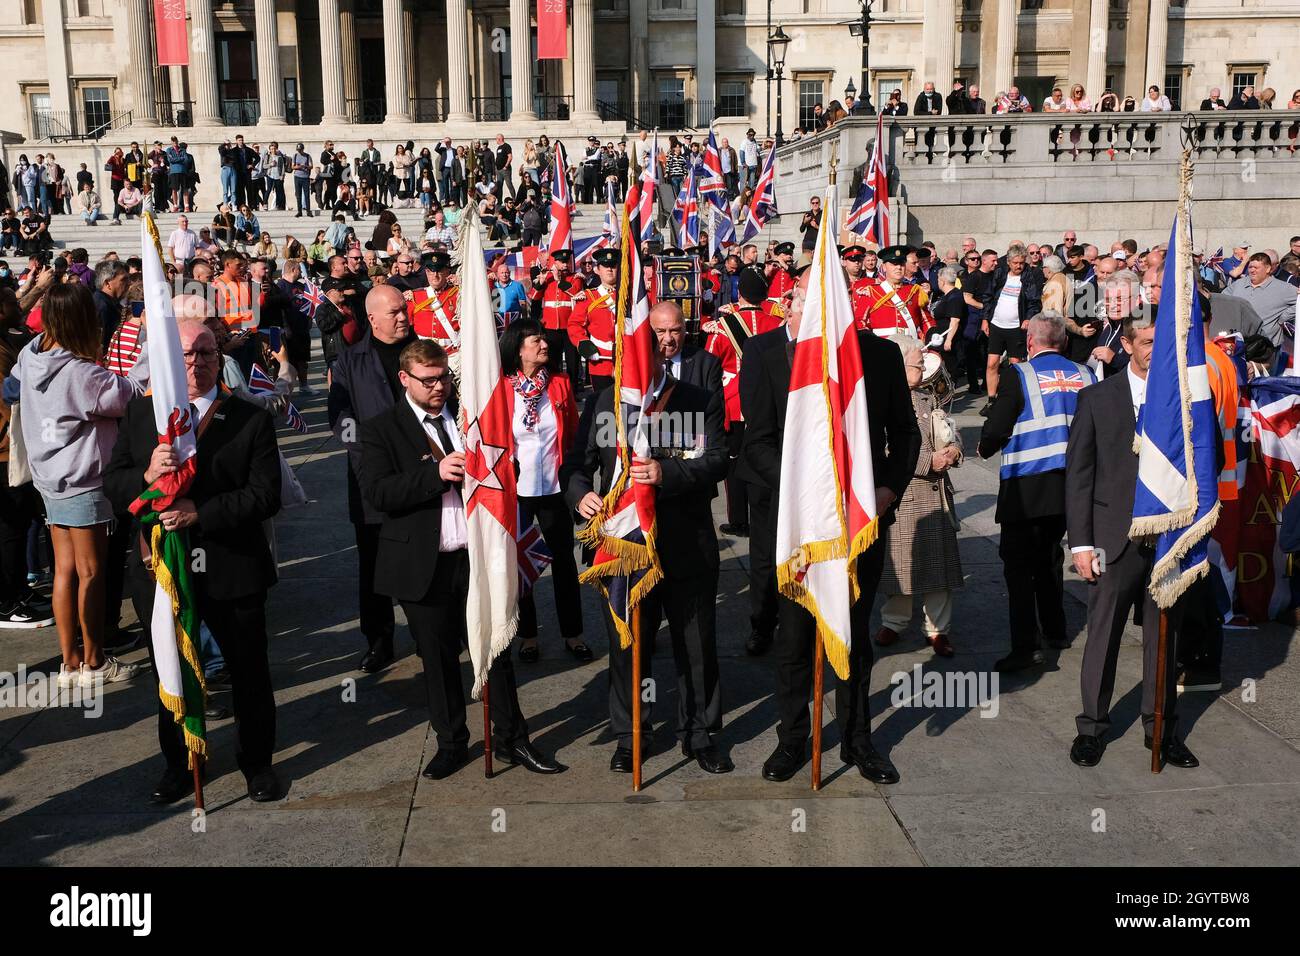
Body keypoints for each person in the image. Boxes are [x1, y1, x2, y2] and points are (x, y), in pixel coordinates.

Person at [743, 270, 921, 784]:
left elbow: (905, 437)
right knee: (795, 640)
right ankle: (792, 739)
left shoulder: (880, 356)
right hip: (800, 527)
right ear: (796, 300)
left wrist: (885, 491)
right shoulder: (766, 354)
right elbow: (755, 443)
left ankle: (858, 739)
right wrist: (805, 491)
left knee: (854, 638)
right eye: (808, 295)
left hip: (858, 525)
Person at [359, 338, 563, 778]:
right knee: (439, 660)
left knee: (497, 648)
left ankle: (513, 738)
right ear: (404, 379)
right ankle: (452, 743)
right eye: (428, 381)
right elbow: (377, 494)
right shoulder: (380, 428)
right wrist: (432, 474)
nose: (438, 388)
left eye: (443, 380)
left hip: (477, 556)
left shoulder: (472, 419)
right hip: (423, 566)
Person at [105, 318, 284, 803]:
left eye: (206, 352)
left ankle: (257, 763)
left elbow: (265, 496)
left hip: (232, 567)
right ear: (166, 361)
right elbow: (114, 485)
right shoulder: (143, 417)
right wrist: (146, 474)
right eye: (185, 354)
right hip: (162, 571)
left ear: (218, 355)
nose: (196, 363)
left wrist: (198, 513)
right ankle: (180, 763)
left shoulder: (248, 417)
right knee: (171, 667)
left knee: (248, 671)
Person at [563, 303, 732, 775]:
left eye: (671, 335)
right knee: (628, 645)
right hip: (625, 548)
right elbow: (575, 467)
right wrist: (581, 498)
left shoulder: (697, 396)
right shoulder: (605, 401)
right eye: (648, 341)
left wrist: (669, 472)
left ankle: (700, 733)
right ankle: (630, 732)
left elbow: (718, 460)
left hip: (686, 540)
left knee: (696, 643)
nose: (661, 345)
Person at [1065, 312, 1199, 771]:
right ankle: (1092, 728)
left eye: (1158, 344)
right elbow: (1079, 477)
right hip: (1111, 540)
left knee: (1165, 639)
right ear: (1126, 345)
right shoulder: (1097, 399)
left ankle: (1160, 727)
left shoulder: (1183, 400)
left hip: (1166, 542)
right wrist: (1081, 544)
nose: (1151, 351)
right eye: (1144, 342)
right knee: (1102, 636)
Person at [14, 283, 149, 687]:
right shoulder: (81, 373)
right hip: (83, 482)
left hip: (50, 479)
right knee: (91, 572)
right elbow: (134, 395)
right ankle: (93, 660)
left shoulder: (31, 353)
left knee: (65, 572)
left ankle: (70, 662)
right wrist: (148, 350)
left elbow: (14, 381)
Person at [977, 311, 1094, 671]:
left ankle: (1026, 647)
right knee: (1049, 558)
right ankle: (1056, 628)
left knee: (1018, 566)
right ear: (1064, 342)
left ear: (1031, 343)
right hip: (1074, 484)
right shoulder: (1086, 374)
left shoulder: (1020, 375)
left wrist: (984, 447)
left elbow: (997, 427)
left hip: (1028, 485)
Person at [328, 284, 417, 672]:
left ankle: (428, 634)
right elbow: (339, 415)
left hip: (423, 472)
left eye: (404, 310)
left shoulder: (424, 352)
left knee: (424, 557)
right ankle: (379, 641)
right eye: (394, 312)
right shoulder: (348, 362)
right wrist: (366, 451)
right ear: (373, 319)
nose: (403, 317)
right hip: (372, 479)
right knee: (375, 565)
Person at [498, 319, 589, 664]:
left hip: (554, 488)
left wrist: (576, 480)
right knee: (521, 564)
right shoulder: (502, 388)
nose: (544, 345)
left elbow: (574, 437)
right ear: (517, 348)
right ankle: (528, 635)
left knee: (564, 562)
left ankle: (573, 634)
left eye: (544, 339)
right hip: (516, 491)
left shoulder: (562, 385)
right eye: (535, 341)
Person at [875, 336, 963, 657]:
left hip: (938, 496)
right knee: (902, 566)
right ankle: (894, 623)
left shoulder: (929, 398)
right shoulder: (884, 400)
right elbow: (887, 449)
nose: (923, 367)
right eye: (917, 363)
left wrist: (954, 449)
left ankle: (938, 630)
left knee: (938, 570)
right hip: (906, 495)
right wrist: (930, 463)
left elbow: (951, 430)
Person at [703, 268, 782, 541]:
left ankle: (738, 520)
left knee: (734, 466)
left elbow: (709, 363)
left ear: (739, 294)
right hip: (768, 401)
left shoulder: (723, 327)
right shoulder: (778, 324)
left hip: (734, 404)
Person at [568, 248, 620, 391]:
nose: (610, 269)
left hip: (627, 359)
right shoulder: (589, 296)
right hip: (600, 360)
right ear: (597, 270)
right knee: (603, 407)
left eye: (613, 265)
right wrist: (583, 343)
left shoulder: (630, 296)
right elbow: (574, 324)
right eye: (605, 265)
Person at [528, 249, 584, 378]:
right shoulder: (547, 278)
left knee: (573, 361)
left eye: (567, 262)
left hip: (570, 325)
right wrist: (540, 283)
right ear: (556, 263)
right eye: (562, 262)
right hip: (551, 326)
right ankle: (554, 389)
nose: (565, 265)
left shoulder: (575, 277)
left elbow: (574, 292)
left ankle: (573, 389)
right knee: (552, 360)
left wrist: (558, 280)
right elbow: (534, 296)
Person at [1223, 251, 1296, 345]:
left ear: (1268, 269)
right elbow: (1223, 299)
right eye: (1250, 267)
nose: (1252, 270)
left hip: (1266, 348)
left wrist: (1284, 317)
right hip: (1238, 343)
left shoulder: (1284, 288)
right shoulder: (1239, 284)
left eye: (1256, 267)